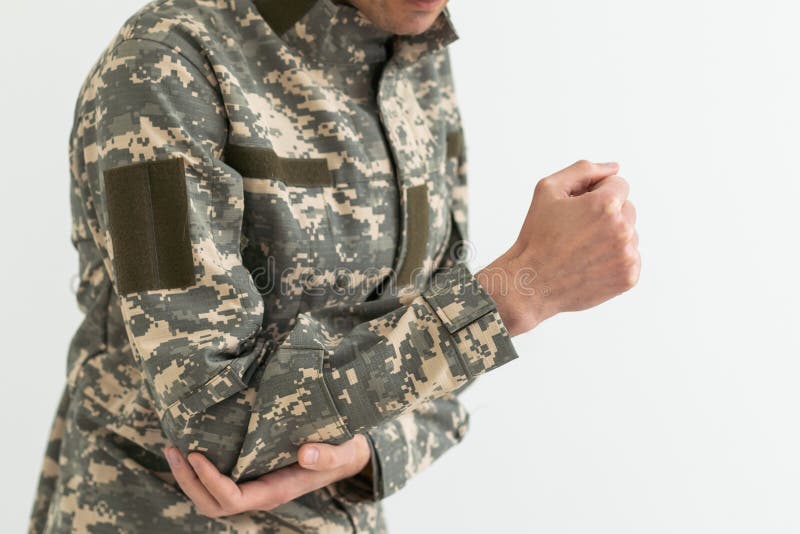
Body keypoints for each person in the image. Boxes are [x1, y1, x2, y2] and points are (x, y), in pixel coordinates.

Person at [29, 0, 640, 532]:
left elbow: (442, 380)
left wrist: (364, 452)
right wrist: (513, 294)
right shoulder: (166, 65)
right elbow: (213, 423)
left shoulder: (413, 53)